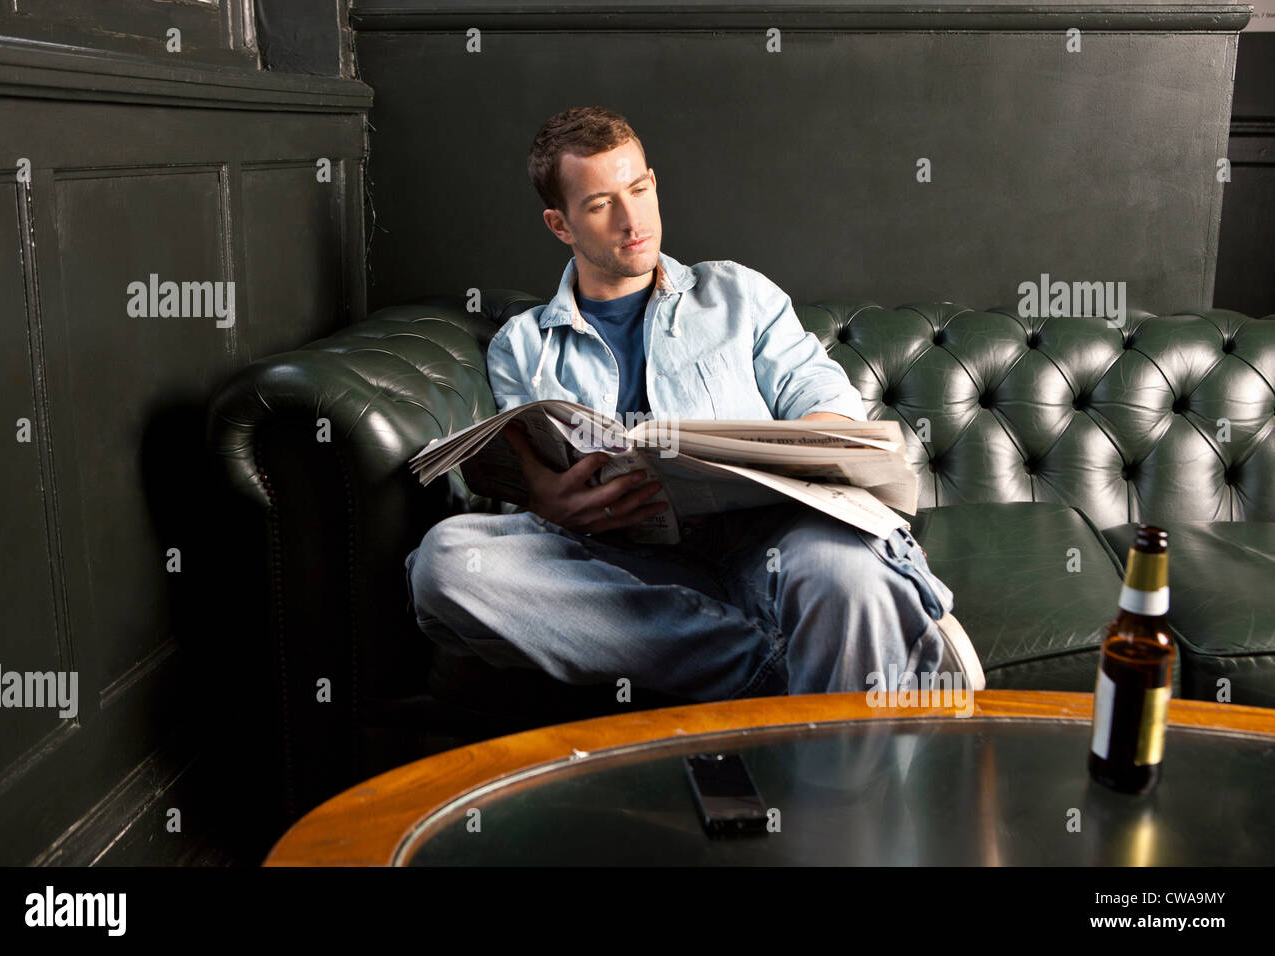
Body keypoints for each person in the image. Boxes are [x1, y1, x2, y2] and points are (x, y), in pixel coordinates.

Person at [405, 106, 985, 702]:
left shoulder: (739, 294)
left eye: (637, 189)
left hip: (771, 542)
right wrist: (549, 506)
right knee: (445, 565)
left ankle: (792, 678)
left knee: (850, 574)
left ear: (652, 184)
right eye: (601, 204)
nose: (632, 220)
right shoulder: (522, 345)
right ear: (561, 224)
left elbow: (830, 408)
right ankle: (778, 670)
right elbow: (535, 472)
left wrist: (784, 457)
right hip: (624, 568)